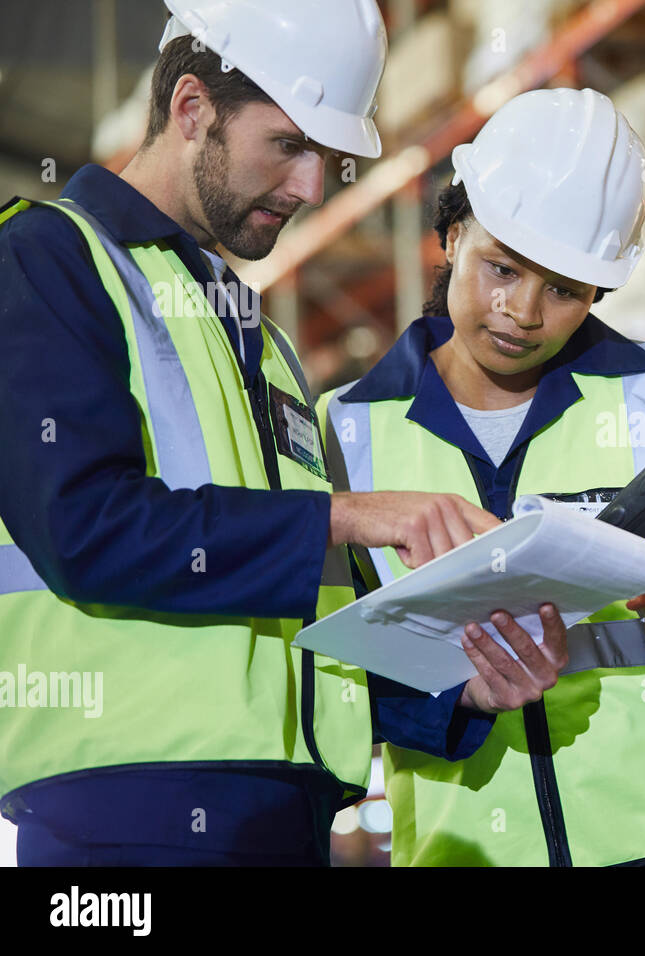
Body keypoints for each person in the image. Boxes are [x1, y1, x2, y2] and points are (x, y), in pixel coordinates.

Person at [0, 0, 530, 866]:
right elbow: (84, 527)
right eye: (290, 145)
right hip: (126, 819)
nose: (311, 188)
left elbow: (290, 634)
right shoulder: (46, 261)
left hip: (282, 817)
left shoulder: (259, 337)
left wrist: (455, 694)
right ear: (190, 109)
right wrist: (352, 516)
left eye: (325, 157)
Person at [318, 87, 645, 867]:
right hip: (468, 852)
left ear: (599, 289)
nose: (523, 312)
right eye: (500, 269)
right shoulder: (348, 430)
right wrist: (452, 698)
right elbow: (330, 678)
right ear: (454, 233)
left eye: (564, 289)